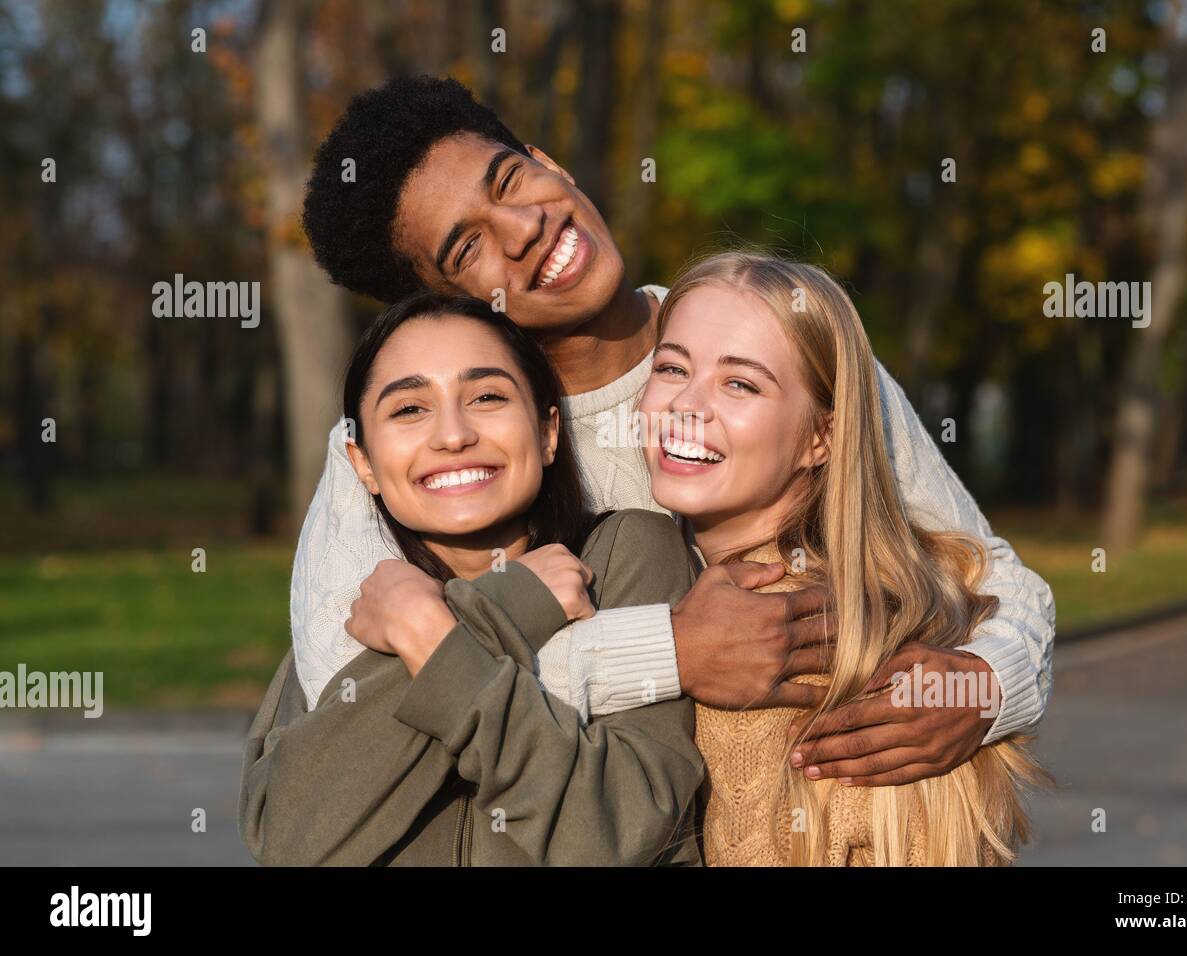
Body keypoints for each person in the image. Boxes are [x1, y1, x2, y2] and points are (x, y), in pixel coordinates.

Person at [299, 74, 1055, 791]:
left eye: (509, 181)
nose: (526, 227)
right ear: (447, 305)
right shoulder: (413, 445)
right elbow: (348, 706)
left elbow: (994, 579)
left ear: (548, 162)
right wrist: (670, 651)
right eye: (468, 247)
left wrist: (983, 685)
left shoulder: (784, 343)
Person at [239, 293, 704, 865]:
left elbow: (615, 832)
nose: (453, 435)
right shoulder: (354, 612)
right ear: (363, 463)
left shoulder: (626, 554)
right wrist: (502, 610)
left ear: (548, 430)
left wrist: (436, 638)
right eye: (409, 409)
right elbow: (289, 839)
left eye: (486, 397)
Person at [635, 252, 1051, 864]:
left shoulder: (777, 656)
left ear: (820, 437)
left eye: (740, 383)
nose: (687, 406)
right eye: (672, 368)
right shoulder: (897, 589)